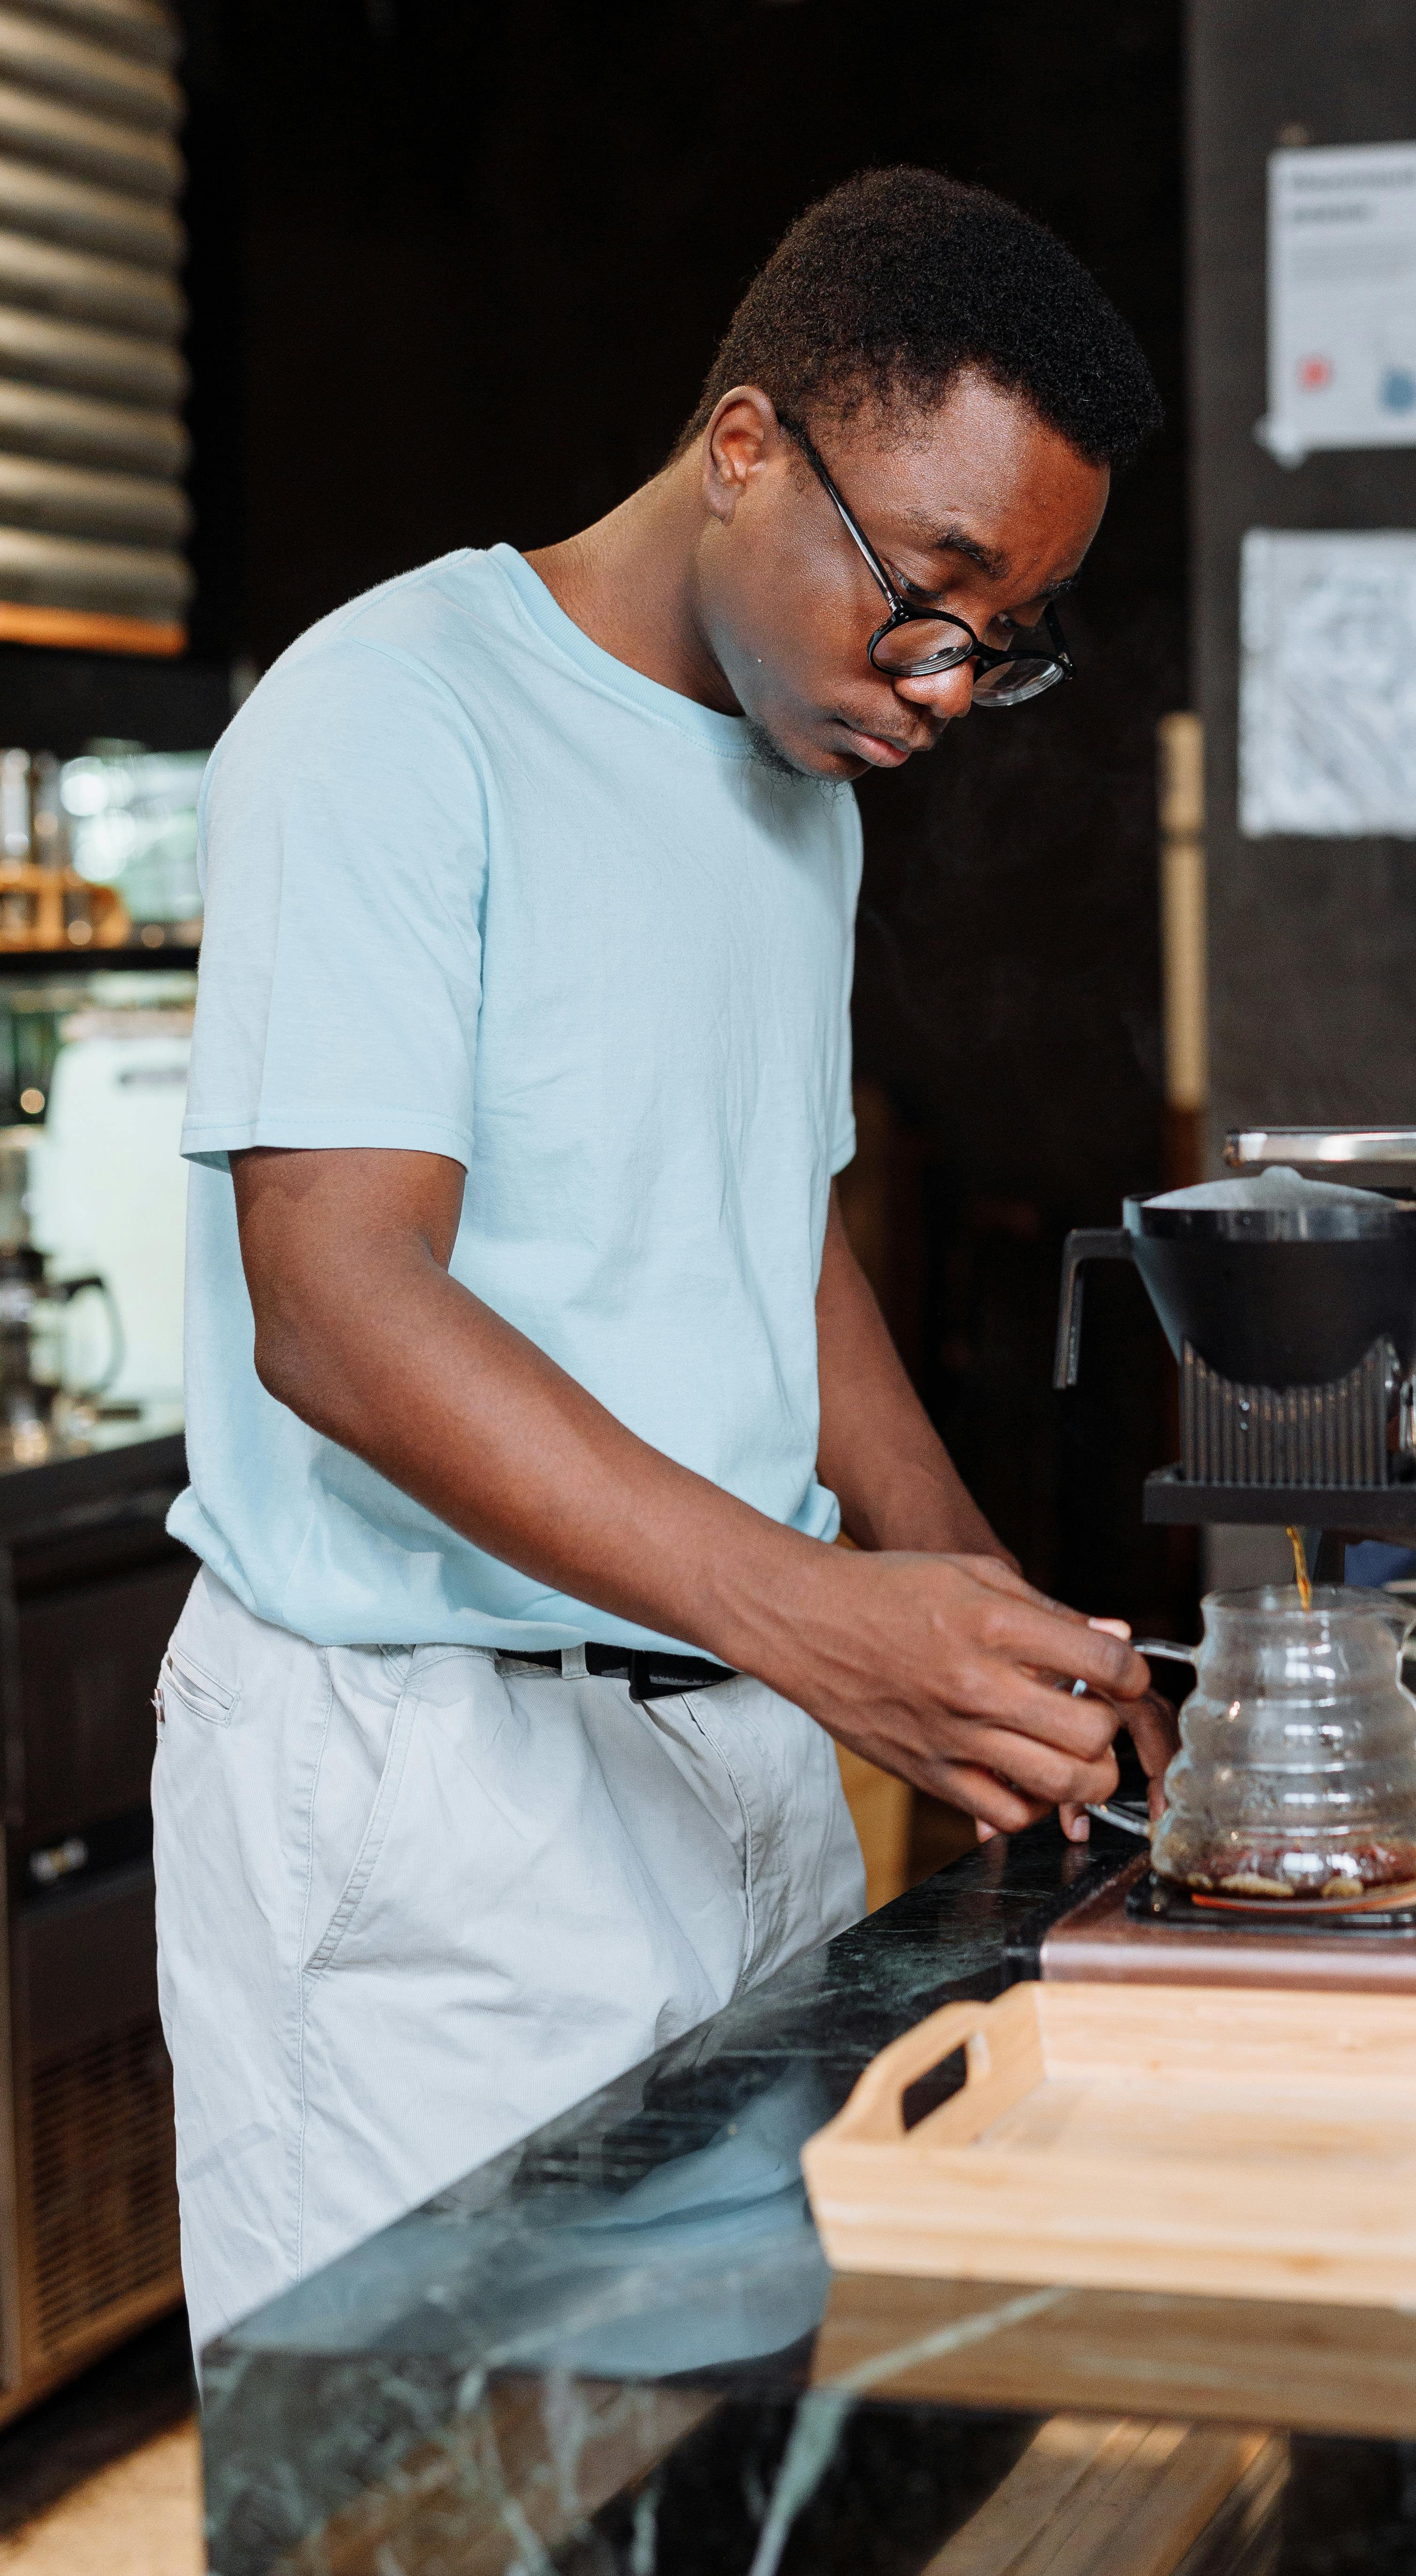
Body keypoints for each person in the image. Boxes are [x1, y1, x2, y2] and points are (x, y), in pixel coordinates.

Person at [154, 166, 1176, 2345]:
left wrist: (968, 1601)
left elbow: (765, 1233)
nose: (943, 683)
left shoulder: (789, 779)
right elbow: (334, 1305)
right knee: (425, 2497)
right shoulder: (387, 716)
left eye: (1006, 641)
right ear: (742, 448)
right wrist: (826, 1617)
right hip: (420, 1789)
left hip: (728, 1755)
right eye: (930, 590)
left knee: (713, 2460)